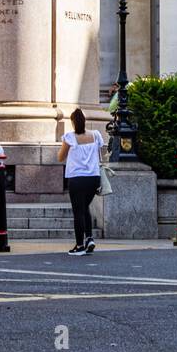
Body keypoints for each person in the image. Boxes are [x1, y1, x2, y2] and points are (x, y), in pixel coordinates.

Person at [57, 107, 105, 256]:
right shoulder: (96, 135)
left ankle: (79, 246)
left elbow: (60, 157)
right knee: (85, 207)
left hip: (77, 178)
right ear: (84, 121)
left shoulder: (70, 137)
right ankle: (89, 238)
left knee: (78, 212)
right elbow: (100, 150)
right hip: (94, 178)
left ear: (73, 122)